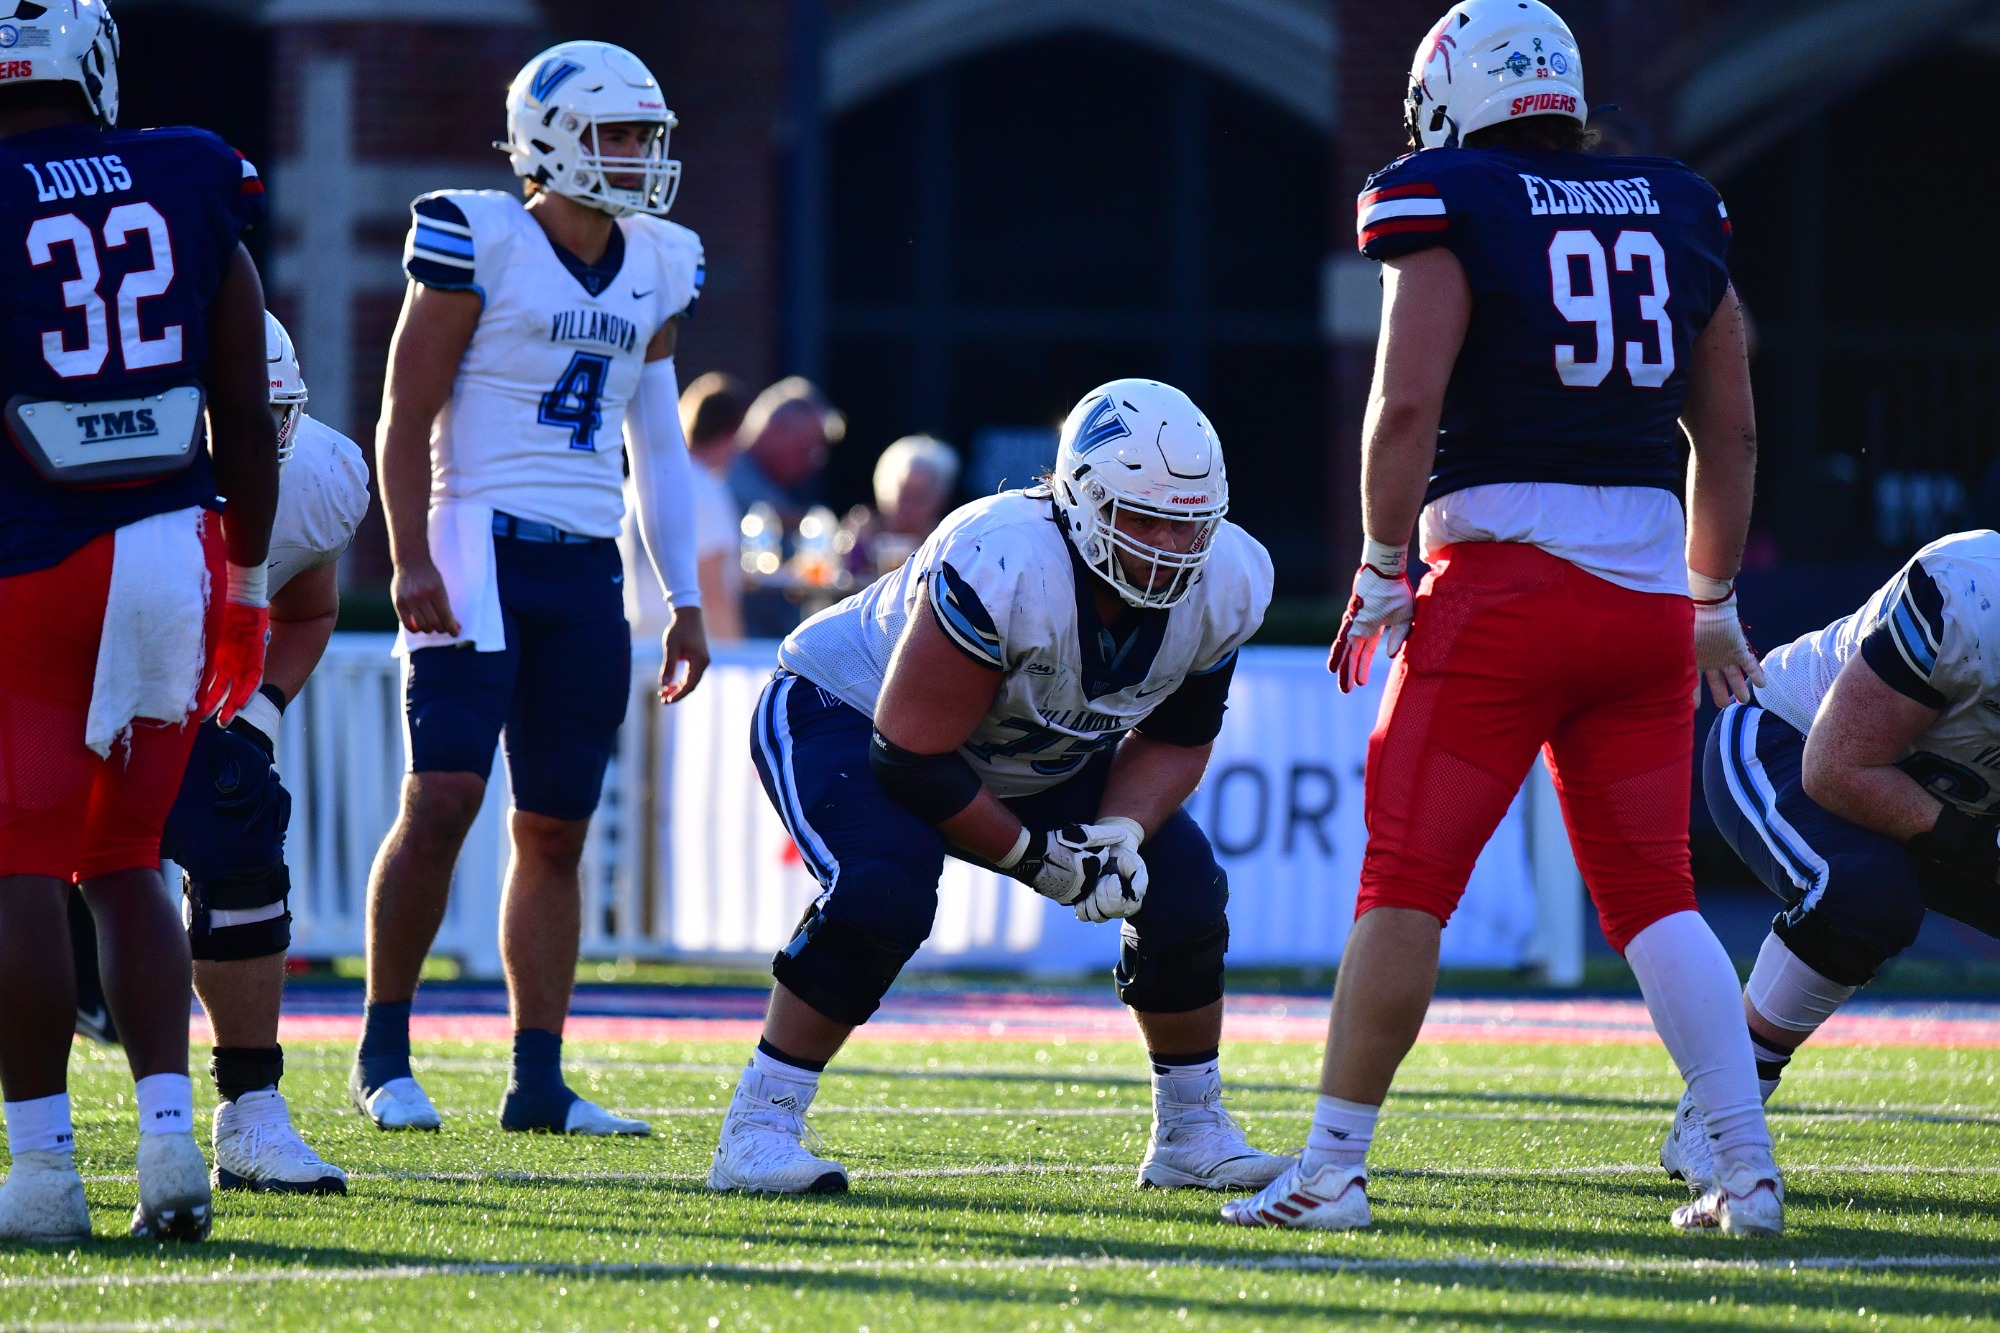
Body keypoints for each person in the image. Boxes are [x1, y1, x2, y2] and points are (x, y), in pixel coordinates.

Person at [1221, 0, 1779, 1236]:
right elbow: (1728, 430)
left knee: (1405, 882)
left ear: (1452, 99)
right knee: (1654, 896)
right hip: (1644, 607)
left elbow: (1401, 410)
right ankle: (1744, 1168)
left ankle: (1329, 1167)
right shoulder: (1676, 202)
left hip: (1501, 592)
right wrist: (1712, 594)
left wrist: (1375, 566)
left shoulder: (1448, 199)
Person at [708, 379, 1287, 1197]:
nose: (1170, 544)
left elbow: (1177, 736)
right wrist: (1032, 857)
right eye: (1144, 518)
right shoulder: (1006, 556)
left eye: (1189, 520)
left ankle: (1191, 1130)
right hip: (852, 710)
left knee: (1183, 882)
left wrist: (1118, 829)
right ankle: (758, 1127)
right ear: (1083, 501)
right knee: (885, 887)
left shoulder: (1228, 574)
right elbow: (910, 754)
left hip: (1025, 746)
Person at [354, 39, 709, 1136]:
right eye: (613, 135)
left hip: (581, 558)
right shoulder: (481, 234)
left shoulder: (658, 259)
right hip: (474, 537)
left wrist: (682, 593)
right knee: (445, 796)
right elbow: (403, 414)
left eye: (645, 138)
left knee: (555, 826)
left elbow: (657, 436)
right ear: (548, 138)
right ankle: (382, 1049)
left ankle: (537, 1077)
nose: (636, 159)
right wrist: (408, 554)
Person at [0, 0, 278, 1242]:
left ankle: (44, 1171)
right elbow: (243, 391)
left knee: (15, 867)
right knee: (124, 864)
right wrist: (252, 578)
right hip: (175, 544)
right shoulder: (189, 168)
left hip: (29, 555)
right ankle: (172, 1150)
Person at [69, 314, 368, 1195]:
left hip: (180, 690)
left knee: (241, 814)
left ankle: (250, 1115)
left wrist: (257, 712)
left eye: (262, 414)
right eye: (217, 417)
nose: (241, 437)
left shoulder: (315, 476)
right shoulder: (79, 464)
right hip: (55, 675)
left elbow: (308, 608)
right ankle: (40, 1136)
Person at [1661, 529, 2000, 1192]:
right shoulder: (1969, 595)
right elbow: (1834, 767)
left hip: (1940, 802)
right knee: (1867, 894)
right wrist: (1968, 846)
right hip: (1785, 740)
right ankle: (1717, 1117)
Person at [623, 371, 744, 644]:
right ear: (729, 436)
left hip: (637, 646)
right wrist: (738, 658)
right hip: (686, 653)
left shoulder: (640, 482)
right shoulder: (705, 490)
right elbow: (713, 593)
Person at [730, 378, 845, 639]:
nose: (814, 462)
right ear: (775, 432)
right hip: (739, 644)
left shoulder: (771, 484)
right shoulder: (725, 477)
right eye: (807, 448)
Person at [848, 434, 960, 577]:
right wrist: (855, 548)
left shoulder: (951, 546)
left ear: (940, 499)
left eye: (919, 497)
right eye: (902, 495)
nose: (909, 506)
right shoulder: (861, 537)